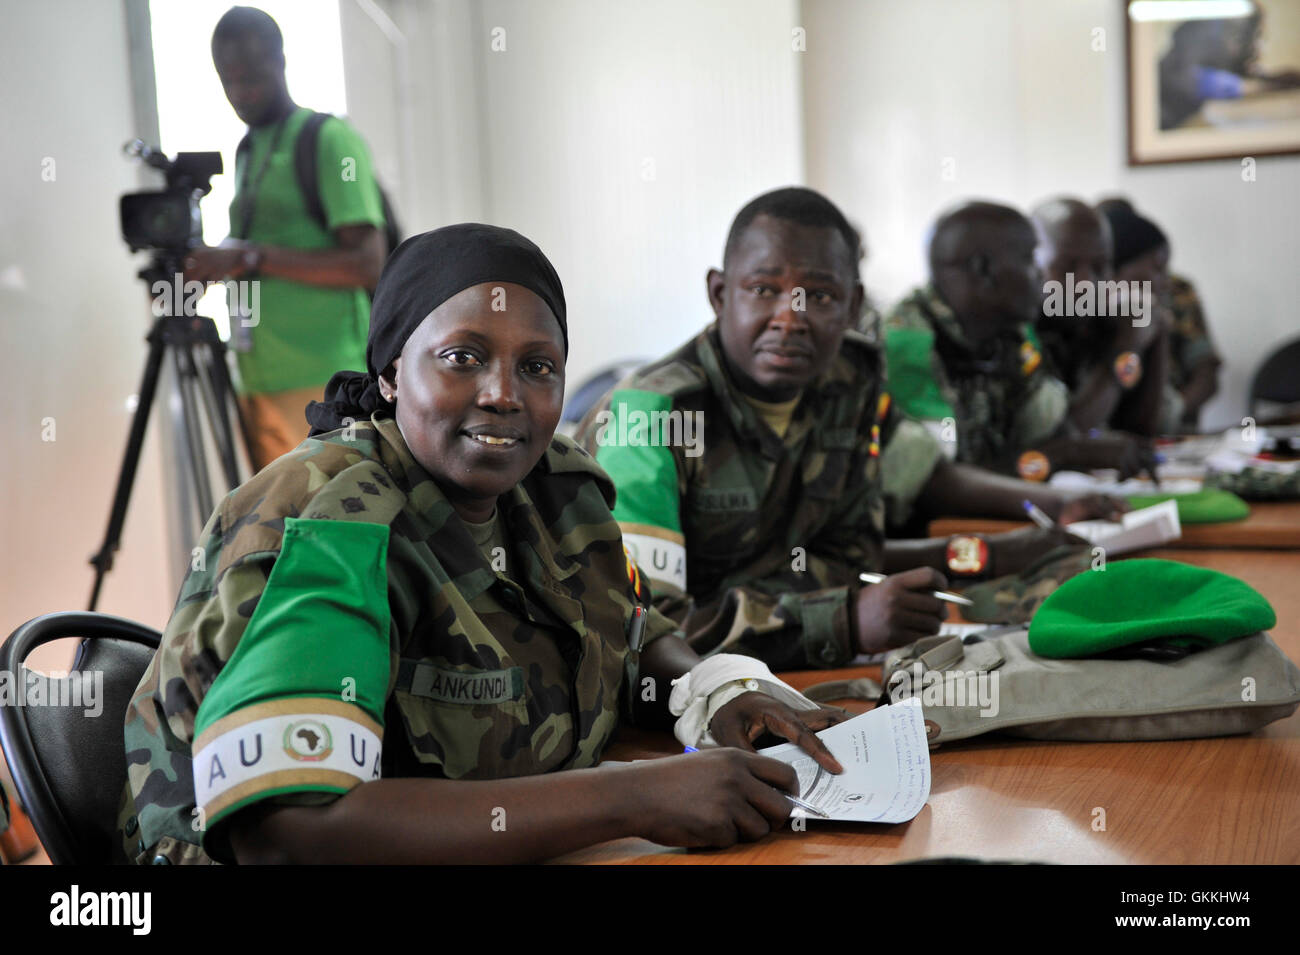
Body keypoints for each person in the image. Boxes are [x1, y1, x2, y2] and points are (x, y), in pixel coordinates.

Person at [121, 224, 845, 866]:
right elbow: (290, 832)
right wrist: (632, 797)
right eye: (463, 357)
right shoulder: (330, 517)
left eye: (538, 366)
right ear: (391, 371)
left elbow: (629, 631)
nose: (505, 393)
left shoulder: (554, 487)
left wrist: (706, 687)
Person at [574, 188, 1123, 671]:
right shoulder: (649, 417)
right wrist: (841, 623)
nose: (791, 317)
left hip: (785, 666)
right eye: (764, 289)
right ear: (720, 294)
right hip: (658, 708)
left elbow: (849, 559)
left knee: (1080, 599)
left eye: (821, 296)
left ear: (853, 304)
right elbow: (647, 629)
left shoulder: (849, 380)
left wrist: (982, 555)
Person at [184, 6, 389, 471]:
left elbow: (366, 263)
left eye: (251, 74)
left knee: (331, 524)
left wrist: (250, 256)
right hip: (257, 381)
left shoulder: (328, 139)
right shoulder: (248, 149)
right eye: (228, 78)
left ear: (280, 61)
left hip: (326, 383)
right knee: (277, 528)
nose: (240, 91)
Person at [884, 201, 1155, 483]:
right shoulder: (908, 343)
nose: (1040, 275)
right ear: (983, 270)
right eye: (1029, 260)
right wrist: (1066, 455)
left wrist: (1071, 451)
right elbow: (934, 484)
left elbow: (1050, 435)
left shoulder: (1014, 334)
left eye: (1100, 266)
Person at [1031, 197, 1176, 436]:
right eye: (1067, 267)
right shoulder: (1018, 332)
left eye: (1100, 268)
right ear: (1031, 264)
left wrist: (1155, 333)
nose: (1087, 282)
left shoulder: (1099, 320)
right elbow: (1064, 436)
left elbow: (1143, 429)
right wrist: (1126, 346)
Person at [1096, 197, 1222, 430]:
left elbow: (1206, 372)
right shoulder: (1078, 313)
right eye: (1157, 268)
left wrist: (1175, 412)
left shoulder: (1170, 297)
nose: (1165, 282)